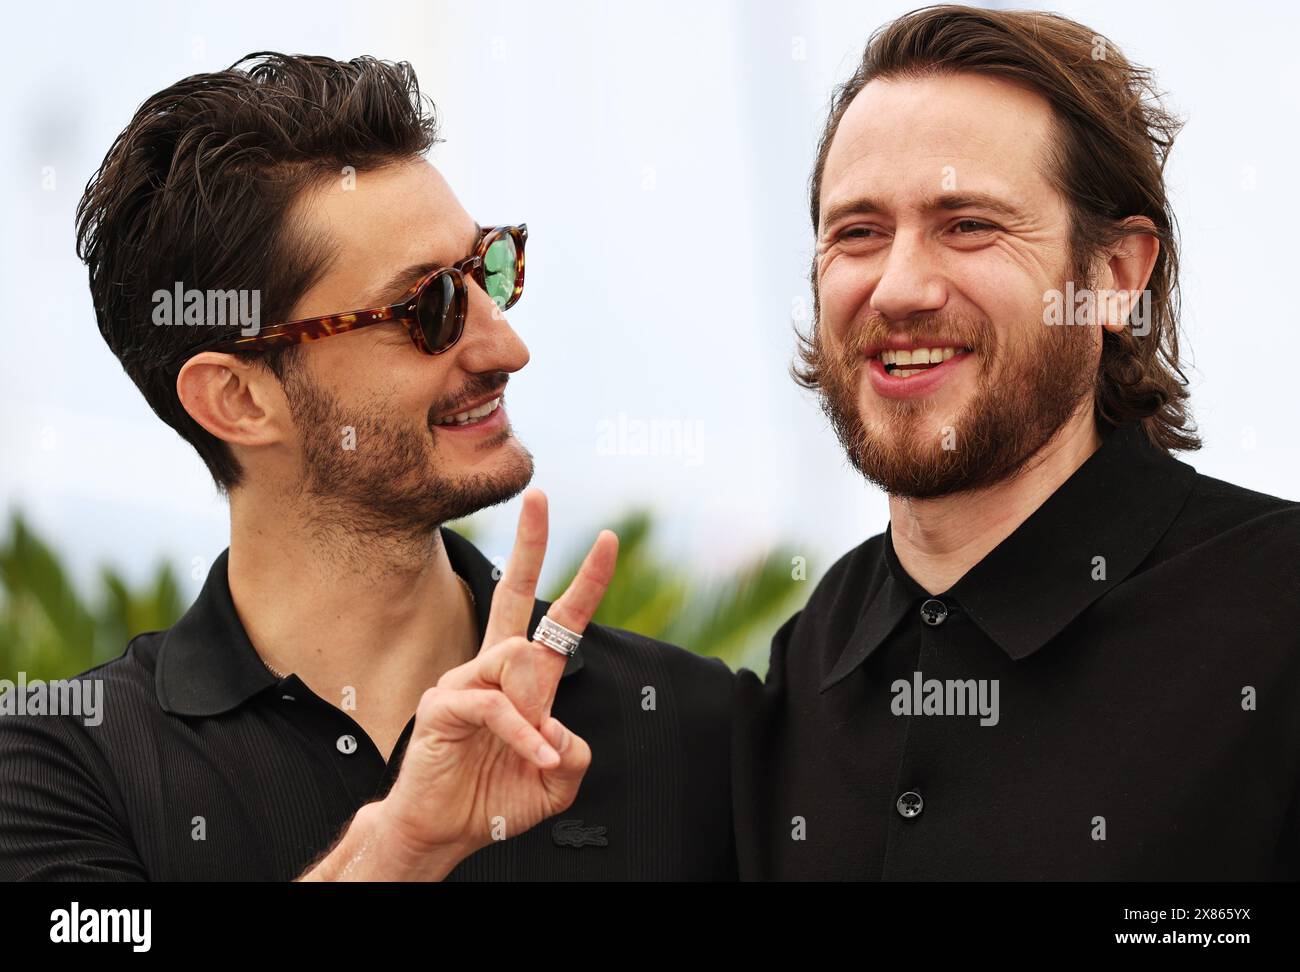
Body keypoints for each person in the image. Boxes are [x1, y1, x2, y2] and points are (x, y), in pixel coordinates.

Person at [0, 52, 735, 881]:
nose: (507, 347)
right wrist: (398, 854)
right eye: (430, 308)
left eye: (488, 269)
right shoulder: (60, 771)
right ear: (237, 400)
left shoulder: (691, 723)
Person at [733, 5, 1300, 880]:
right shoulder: (806, 662)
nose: (900, 288)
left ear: (1116, 276)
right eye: (858, 233)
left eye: (968, 225)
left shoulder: (1280, 613)